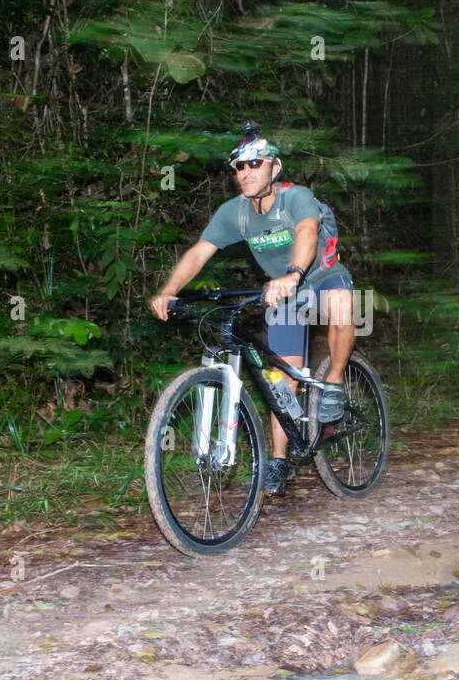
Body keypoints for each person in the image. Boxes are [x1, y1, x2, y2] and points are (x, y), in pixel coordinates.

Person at [149, 122, 355, 496]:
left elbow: (308, 231)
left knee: (342, 305)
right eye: (238, 167)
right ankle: (279, 459)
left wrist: (293, 274)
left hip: (318, 276)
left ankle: (336, 379)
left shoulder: (296, 198)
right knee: (281, 381)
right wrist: (169, 290)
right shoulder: (235, 213)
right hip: (283, 294)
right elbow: (200, 251)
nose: (244, 173)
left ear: (274, 168)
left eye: (254, 164)